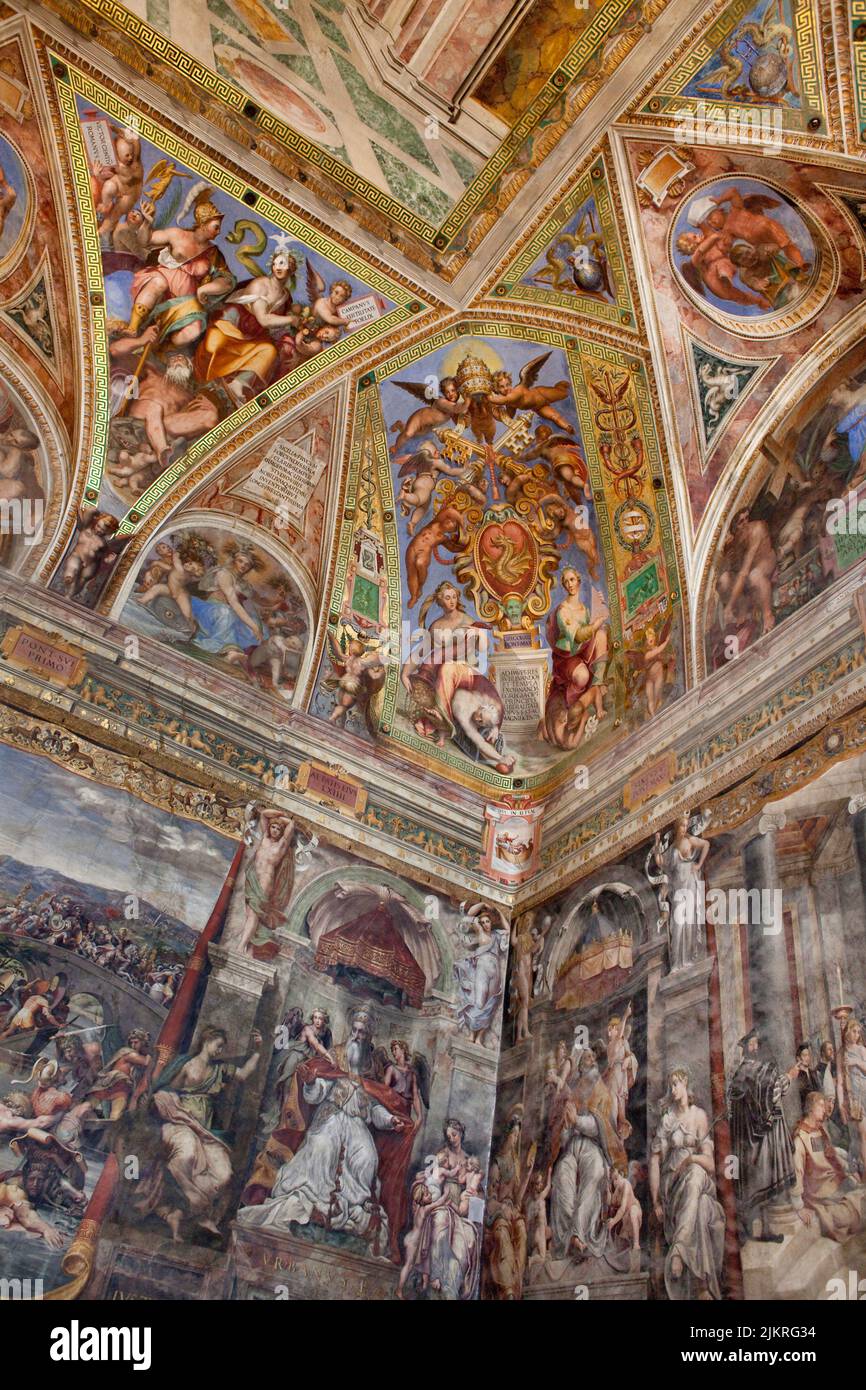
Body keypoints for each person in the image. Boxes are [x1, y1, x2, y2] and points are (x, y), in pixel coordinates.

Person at [140, 1026, 262, 1240]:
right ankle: (181, 1210)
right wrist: (175, 1107)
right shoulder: (186, 1065)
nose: (220, 1050)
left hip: (204, 1131)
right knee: (186, 1157)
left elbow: (243, 1074)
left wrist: (258, 1051)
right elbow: (166, 1091)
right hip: (180, 1124)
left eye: (222, 1047)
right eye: (219, 1045)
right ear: (207, 1041)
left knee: (225, 1174)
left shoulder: (219, 1069)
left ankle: (182, 1212)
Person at [649, 1068, 725, 1299]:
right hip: (674, 1187)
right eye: (670, 1085)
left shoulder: (699, 1116)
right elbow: (655, 1161)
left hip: (700, 1179)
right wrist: (656, 1202)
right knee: (701, 1207)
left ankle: (679, 1250)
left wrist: (691, 1158)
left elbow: (710, 1164)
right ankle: (704, 1288)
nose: (672, 1089)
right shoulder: (667, 1120)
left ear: (685, 1084)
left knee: (695, 1172)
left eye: (676, 1084)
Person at [549, 1049, 625, 1261]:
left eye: (592, 1057)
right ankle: (566, 1238)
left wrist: (576, 1122)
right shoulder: (572, 1093)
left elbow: (602, 1125)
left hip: (593, 1145)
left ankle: (580, 1233)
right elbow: (563, 1135)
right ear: (580, 1067)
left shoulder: (602, 1091)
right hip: (573, 1145)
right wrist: (565, 1126)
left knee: (595, 1175)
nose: (590, 1060)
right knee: (561, 1177)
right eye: (586, 1059)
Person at [728, 1027, 795, 1241]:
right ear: (746, 1048)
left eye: (757, 1043)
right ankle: (746, 1231)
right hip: (751, 1138)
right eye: (752, 1044)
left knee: (764, 1181)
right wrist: (788, 1077)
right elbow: (767, 1088)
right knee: (754, 1181)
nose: (755, 1047)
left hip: (757, 1135)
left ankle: (765, 1229)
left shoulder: (751, 1070)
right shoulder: (747, 1070)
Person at [539, 567, 608, 749]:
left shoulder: (584, 610)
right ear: (563, 585)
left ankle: (598, 683)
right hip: (566, 657)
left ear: (578, 581)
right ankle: (573, 703)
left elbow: (589, 634)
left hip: (580, 651)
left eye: (572, 580)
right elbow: (576, 636)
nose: (570, 584)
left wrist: (599, 614)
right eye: (566, 581)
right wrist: (596, 623)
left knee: (601, 634)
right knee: (582, 676)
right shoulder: (563, 611)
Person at [652, 814, 710, 971]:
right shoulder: (671, 849)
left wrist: (698, 865)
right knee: (677, 924)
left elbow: (706, 844)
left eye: (686, 825)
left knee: (689, 921)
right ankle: (677, 963)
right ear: (677, 827)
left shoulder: (690, 840)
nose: (684, 828)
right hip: (677, 889)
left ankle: (689, 959)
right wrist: (657, 842)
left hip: (689, 884)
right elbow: (660, 862)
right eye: (682, 825)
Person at [238, 808, 295, 956]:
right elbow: (264, 814)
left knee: (253, 915)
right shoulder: (264, 839)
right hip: (252, 880)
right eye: (273, 827)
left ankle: (241, 946)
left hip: (264, 884)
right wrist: (279, 815)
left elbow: (291, 825)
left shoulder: (281, 845)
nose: (275, 830)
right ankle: (249, 949)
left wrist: (282, 818)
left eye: (278, 828)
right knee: (250, 914)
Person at [453, 904, 507, 1045]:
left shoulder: (496, 935)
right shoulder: (480, 933)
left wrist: (500, 911)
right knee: (479, 1002)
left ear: (491, 922)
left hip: (495, 971)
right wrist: (482, 904)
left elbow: (507, 929)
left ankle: (479, 1038)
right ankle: (472, 1034)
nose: (485, 924)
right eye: (482, 922)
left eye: (487, 921)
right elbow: (470, 916)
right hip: (482, 967)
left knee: (492, 1003)